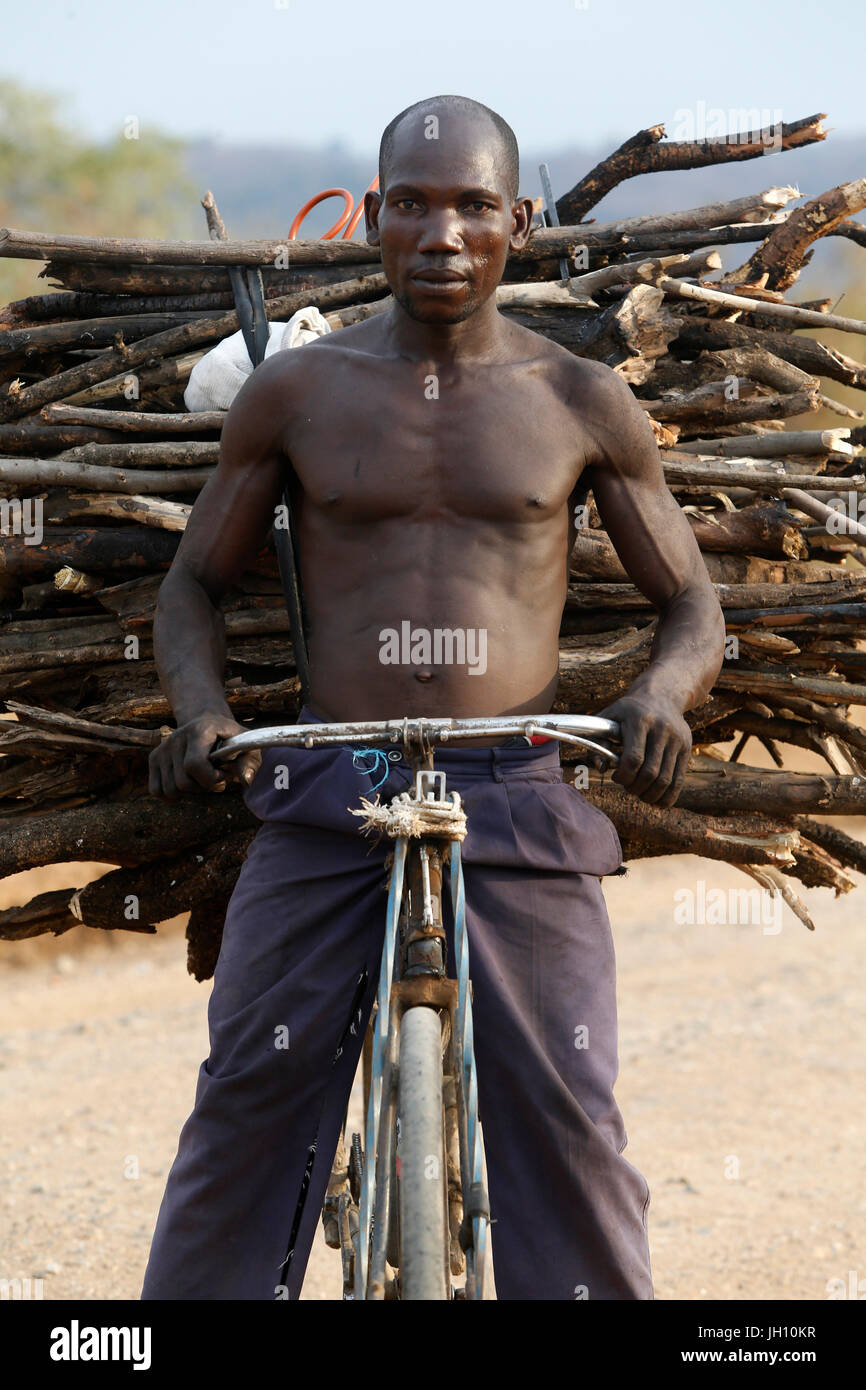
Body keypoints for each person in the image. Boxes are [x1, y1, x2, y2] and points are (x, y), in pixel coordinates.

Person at [142, 94, 725, 1300]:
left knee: (569, 1114)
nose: (442, 234)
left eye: (470, 205)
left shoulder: (578, 400)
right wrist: (199, 713)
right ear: (370, 220)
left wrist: (660, 698)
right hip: (327, 784)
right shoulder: (296, 392)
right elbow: (191, 585)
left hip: (513, 777)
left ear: (517, 220)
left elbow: (691, 608)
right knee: (251, 1088)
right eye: (411, 204)